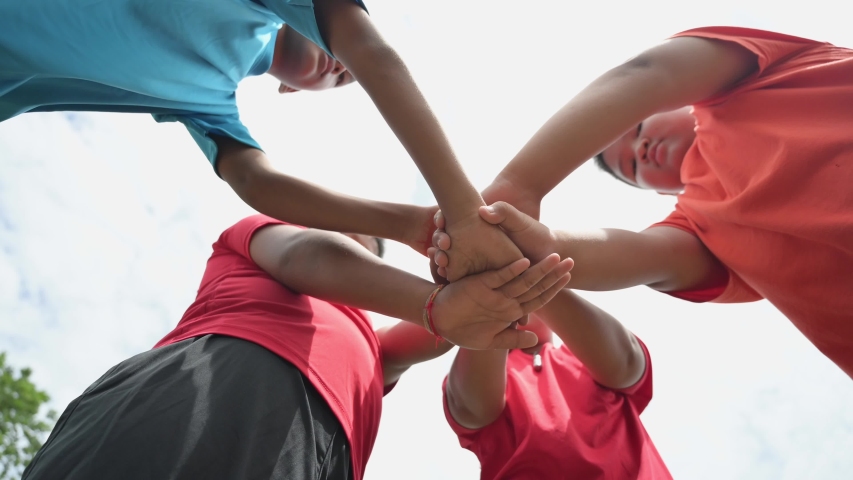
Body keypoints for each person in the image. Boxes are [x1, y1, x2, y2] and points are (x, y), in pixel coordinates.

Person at [433, 26, 853, 378]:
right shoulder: (702, 228)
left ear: (679, 106)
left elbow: (650, 73)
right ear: (660, 192)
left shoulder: (757, 80)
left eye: (636, 130)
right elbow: (639, 257)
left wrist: (519, 186)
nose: (643, 147)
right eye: (633, 166)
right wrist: (525, 246)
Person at [22, 213, 573, 480]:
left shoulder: (370, 347)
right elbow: (310, 256)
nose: (350, 240)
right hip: (226, 378)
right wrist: (444, 303)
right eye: (349, 232)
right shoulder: (265, 239)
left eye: (367, 247)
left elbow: (452, 327)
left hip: (329, 454)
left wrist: (500, 287)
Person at [1, 0, 522, 280]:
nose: (341, 66)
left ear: (290, 90)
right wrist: (463, 210)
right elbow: (371, 52)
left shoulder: (205, 102)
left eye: (339, 77)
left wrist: (410, 223)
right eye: (342, 55)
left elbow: (256, 179)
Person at [442, 288, 672, 479]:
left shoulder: (584, 359)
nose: (521, 307)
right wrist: (497, 295)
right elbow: (472, 406)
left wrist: (527, 282)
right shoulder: (476, 370)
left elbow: (627, 360)